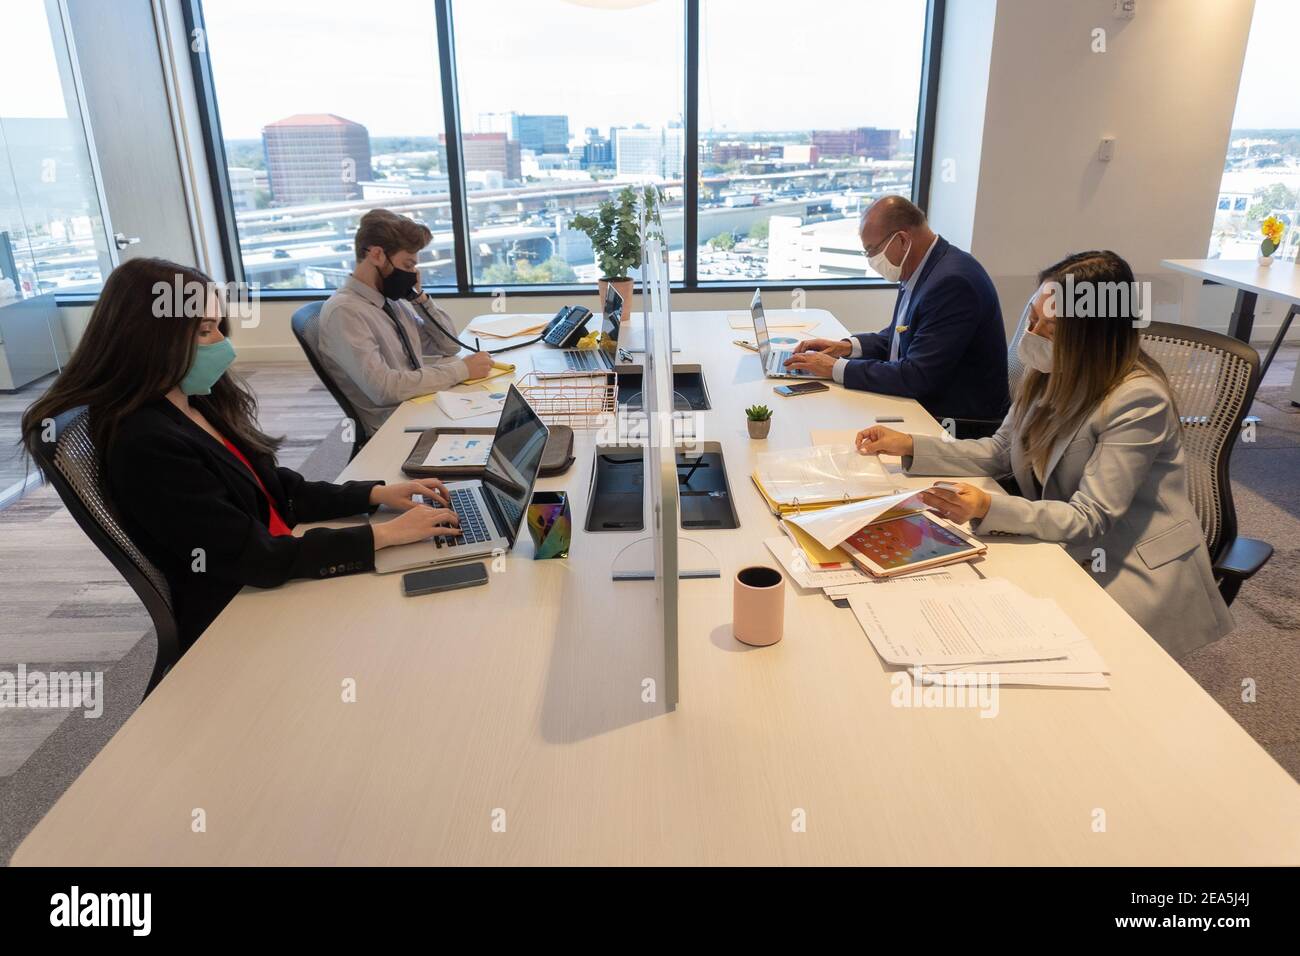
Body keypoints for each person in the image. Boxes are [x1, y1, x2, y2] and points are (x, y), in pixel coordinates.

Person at [22, 258, 464, 653]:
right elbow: (257, 559)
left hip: (278, 561)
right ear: (151, 338)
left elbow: (275, 488)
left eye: (218, 326)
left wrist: (376, 495)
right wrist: (383, 537)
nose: (221, 343)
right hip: (241, 608)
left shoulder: (192, 397)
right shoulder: (144, 443)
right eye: (204, 330)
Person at [854, 250, 1233, 658]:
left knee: (1015, 646)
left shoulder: (1138, 400)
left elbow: (1092, 517)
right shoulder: (1049, 373)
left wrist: (987, 507)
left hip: (1132, 564)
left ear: (1090, 335)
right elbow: (1000, 451)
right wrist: (910, 445)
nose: (1029, 333)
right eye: (1032, 316)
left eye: (1047, 325)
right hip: (1065, 541)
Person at [786, 196, 1009, 434]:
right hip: (925, 404)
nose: (871, 259)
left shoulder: (952, 283)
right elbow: (900, 337)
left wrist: (836, 369)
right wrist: (846, 348)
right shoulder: (922, 268)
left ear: (902, 240)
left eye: (872, 250)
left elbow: (917, 376)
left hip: (954, 423)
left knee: (835, 429)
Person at [318, 208, 492, 436]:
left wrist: (419, 297)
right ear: (377, 255)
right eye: (408, 265)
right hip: (394, 427)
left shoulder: (391, 300)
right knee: (489, 431)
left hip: (419, 404)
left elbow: (448, 345)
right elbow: (384, 389)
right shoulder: (345, 312)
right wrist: (461, 370)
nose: (413, 273)